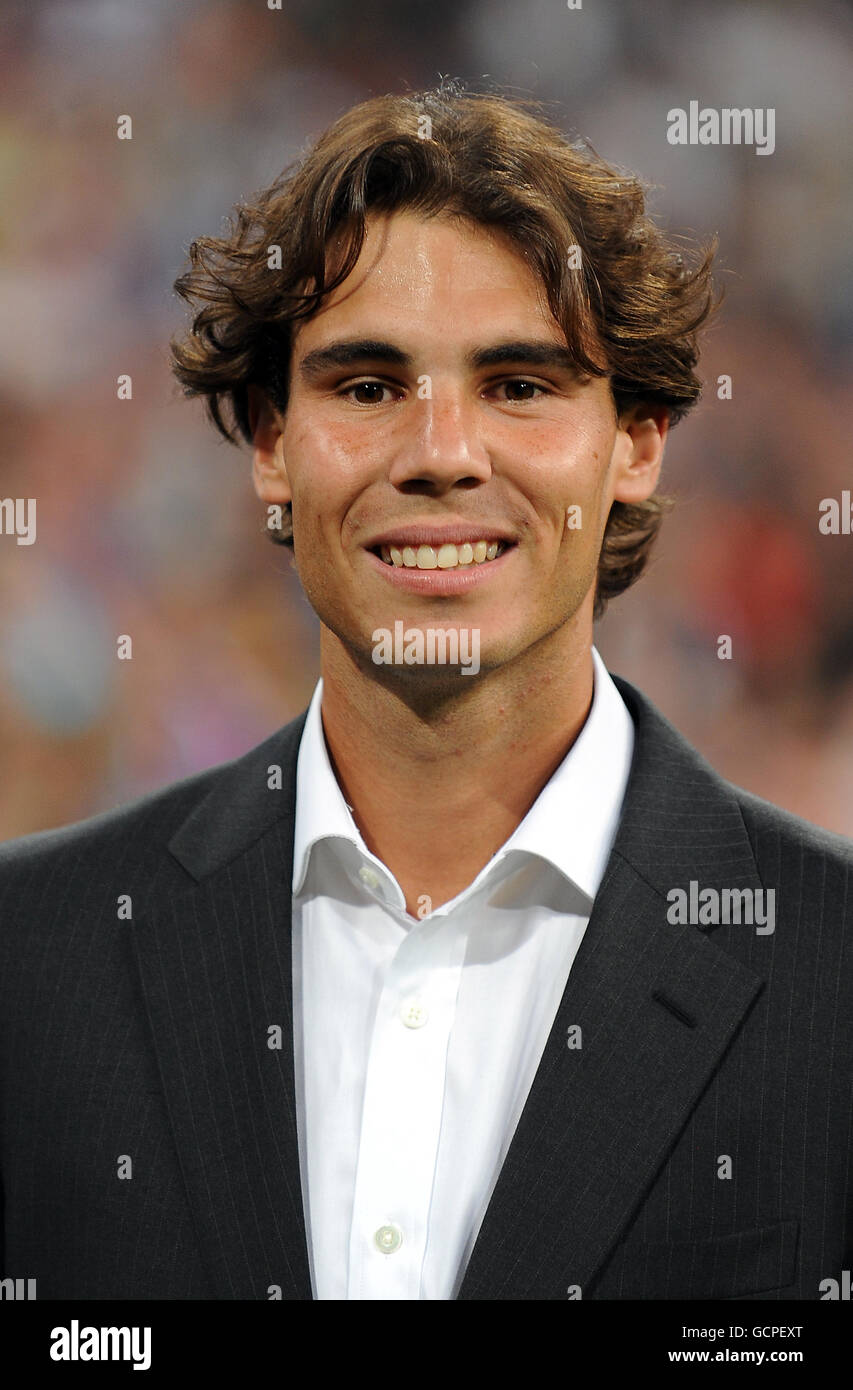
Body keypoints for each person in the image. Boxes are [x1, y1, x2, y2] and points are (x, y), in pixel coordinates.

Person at [0, 84, 850, 1302]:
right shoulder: (30, 961)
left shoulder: (832, 972)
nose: (443, 449)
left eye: (519, 385)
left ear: (637, 443)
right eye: (365, 385)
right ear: (269, 443)